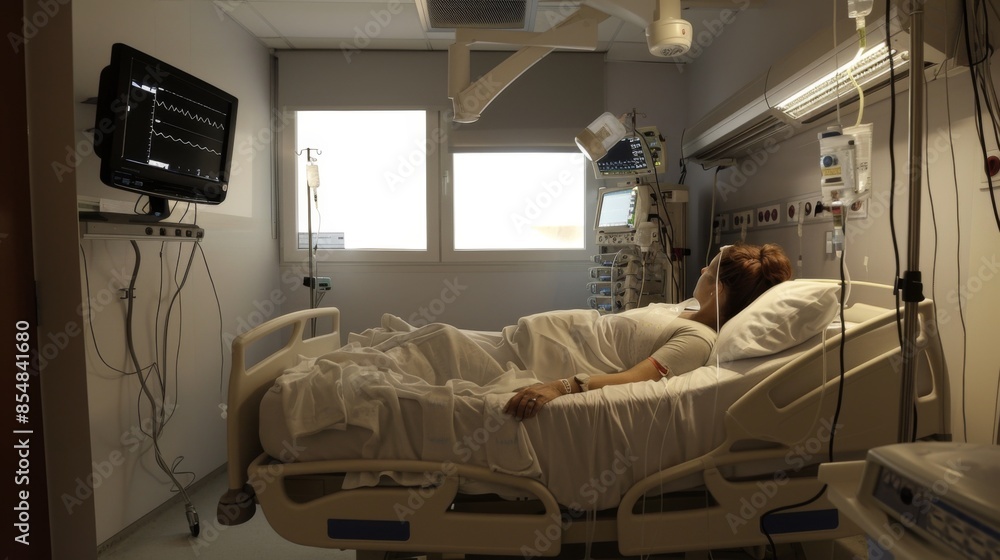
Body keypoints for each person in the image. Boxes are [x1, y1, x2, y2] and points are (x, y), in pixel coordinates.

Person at [503, 242, 793, 420]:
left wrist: (559, 386)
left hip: (531, 358)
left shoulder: (697, 339)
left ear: (717, 290)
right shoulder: (686, 308)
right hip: (524, 339)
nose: (703, 269)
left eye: (710, 269)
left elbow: (632, 380)